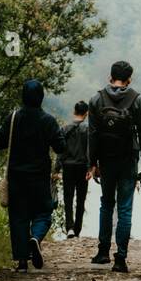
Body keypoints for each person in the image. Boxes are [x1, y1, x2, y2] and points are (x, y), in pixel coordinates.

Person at [87, 60, 141, 274]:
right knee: (124, 209)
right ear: (129, 79)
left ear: (110, 77)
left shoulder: (96, 99)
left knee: (106, 204)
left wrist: (92, 163)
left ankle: (102, 251)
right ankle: (120, 258)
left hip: (106, 160)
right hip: (128, 160)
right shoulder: (136, 100)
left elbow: (93, 135)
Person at [0, 78, 65, 273]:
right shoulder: (48, 121)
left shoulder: (13, 118)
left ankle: (22, 262)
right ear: (41, 97)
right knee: (44, 212)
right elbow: (60, 146)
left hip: (16, 176)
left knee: (18, 216)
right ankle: (36, 237)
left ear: (23, 97)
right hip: (39, 177)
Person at [58, 100, 90, 238]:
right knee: (81, 199)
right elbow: (90, 150)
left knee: (68, 198)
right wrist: (91, 168)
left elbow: (61, 151)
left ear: (74, 111)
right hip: (82, 167)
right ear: (86, 114)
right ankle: (77, 229)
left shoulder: (65, 128)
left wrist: (56, 169)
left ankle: (69, 228)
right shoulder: (88, 129)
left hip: (68, 167)